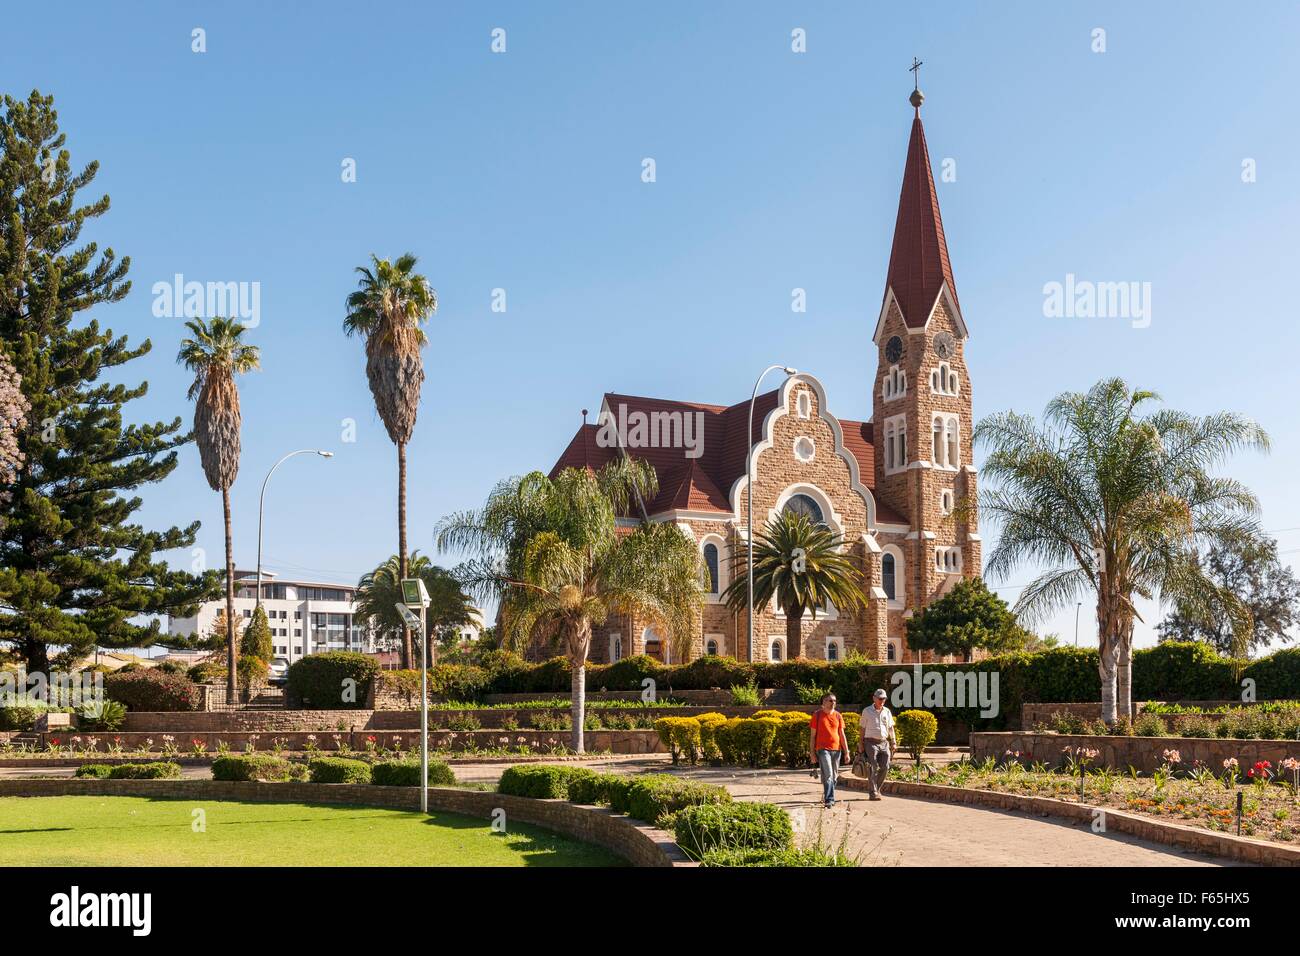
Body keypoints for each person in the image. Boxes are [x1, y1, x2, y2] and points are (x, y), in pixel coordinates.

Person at [808, 692, 850, 808]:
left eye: (835, 701)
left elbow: (842, 735)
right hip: (822, 750)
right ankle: (829, 800)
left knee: (834, 776)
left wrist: (847, 752)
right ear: (824, 702)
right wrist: (812, 753)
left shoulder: (838, 716)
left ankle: (827, 794)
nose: (833, 703)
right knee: (829, 775)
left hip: (837, 750)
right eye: (830, 700)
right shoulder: (817, 715)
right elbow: (812, 736)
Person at [858, 688, 897, 801]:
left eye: (884, 698)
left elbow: (890, 727)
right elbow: (862, 728)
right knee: (873, 767)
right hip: (870, 742)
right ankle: (873, 792)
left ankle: (876, 789)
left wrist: (893, 741)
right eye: (880, 698)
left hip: (884, 742)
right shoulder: (867, 711)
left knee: (885, 767)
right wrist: (860, 743)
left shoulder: (887, 711)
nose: (882, 700)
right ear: (874, 698)